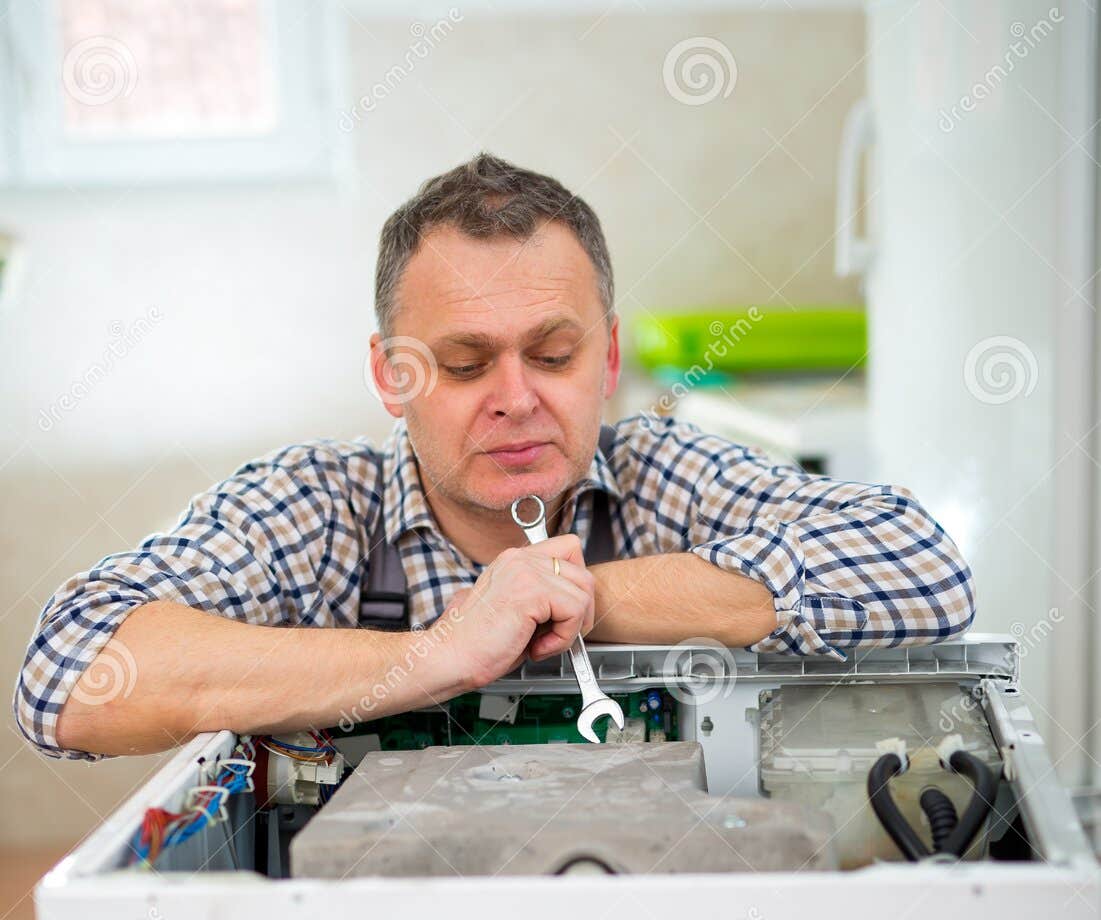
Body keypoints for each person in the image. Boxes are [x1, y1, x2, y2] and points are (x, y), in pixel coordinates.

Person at [14, 153, 974, 763]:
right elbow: (67, 673)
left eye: (553, 356)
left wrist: (579, 599)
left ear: (605, 359)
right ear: (391, 377)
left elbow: (924, 564)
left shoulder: (661, 473)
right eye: (466, 363)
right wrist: (438, 652)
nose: (517, 396)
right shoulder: (314, 505)